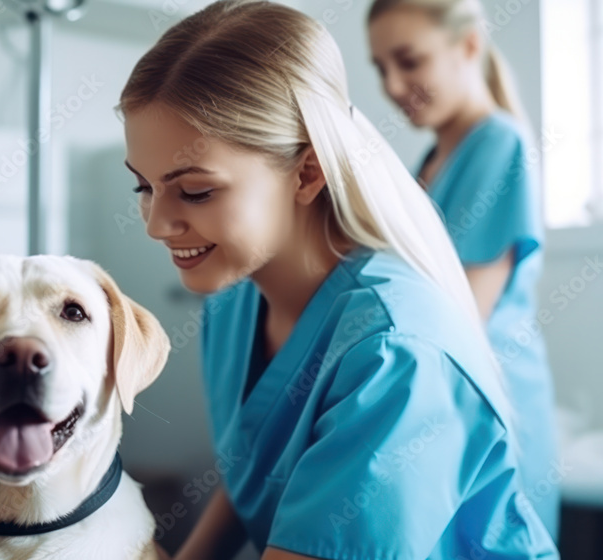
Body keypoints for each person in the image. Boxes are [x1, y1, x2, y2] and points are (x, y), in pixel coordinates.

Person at [117, 1, 558, 558]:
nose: (157, 224)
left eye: (197, 191)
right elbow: (257, 468)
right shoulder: (232, 303)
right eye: (142, 188)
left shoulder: (395, 353)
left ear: (307, 172)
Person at [368, 0, 559, 539]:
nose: (394, 85)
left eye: (409, 61)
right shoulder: (427, 163)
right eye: (380, 68)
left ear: (469, 44)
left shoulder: (500, 143)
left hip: (488, 411)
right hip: (442, 404)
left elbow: (461, 316)